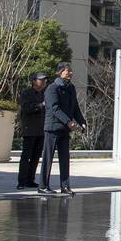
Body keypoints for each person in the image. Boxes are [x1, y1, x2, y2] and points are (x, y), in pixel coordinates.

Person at [42, 62, 85, 195]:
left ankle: (65, 186)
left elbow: (75, 107)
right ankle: (43, 186)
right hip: (53, 127)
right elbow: (54, 108)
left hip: (65, 129)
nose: (71, 73)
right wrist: (68, 121)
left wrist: (81, 121)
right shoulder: (52, 88)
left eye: (71, 71)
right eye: (68, 71)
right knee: (48, 158)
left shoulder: (71, 88)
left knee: (65, 158)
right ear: (60, 72)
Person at [17, 72, 49, 188]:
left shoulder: (45, 93)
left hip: (41, 130)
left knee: (36, 156)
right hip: (29, 129)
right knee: (26, 156)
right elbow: (26, 108)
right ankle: (21, 180)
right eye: (41, 80)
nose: (44, 82)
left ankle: (30, 179)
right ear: (34, 81)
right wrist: (41, 105)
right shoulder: (27, 93)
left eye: (45, 80)